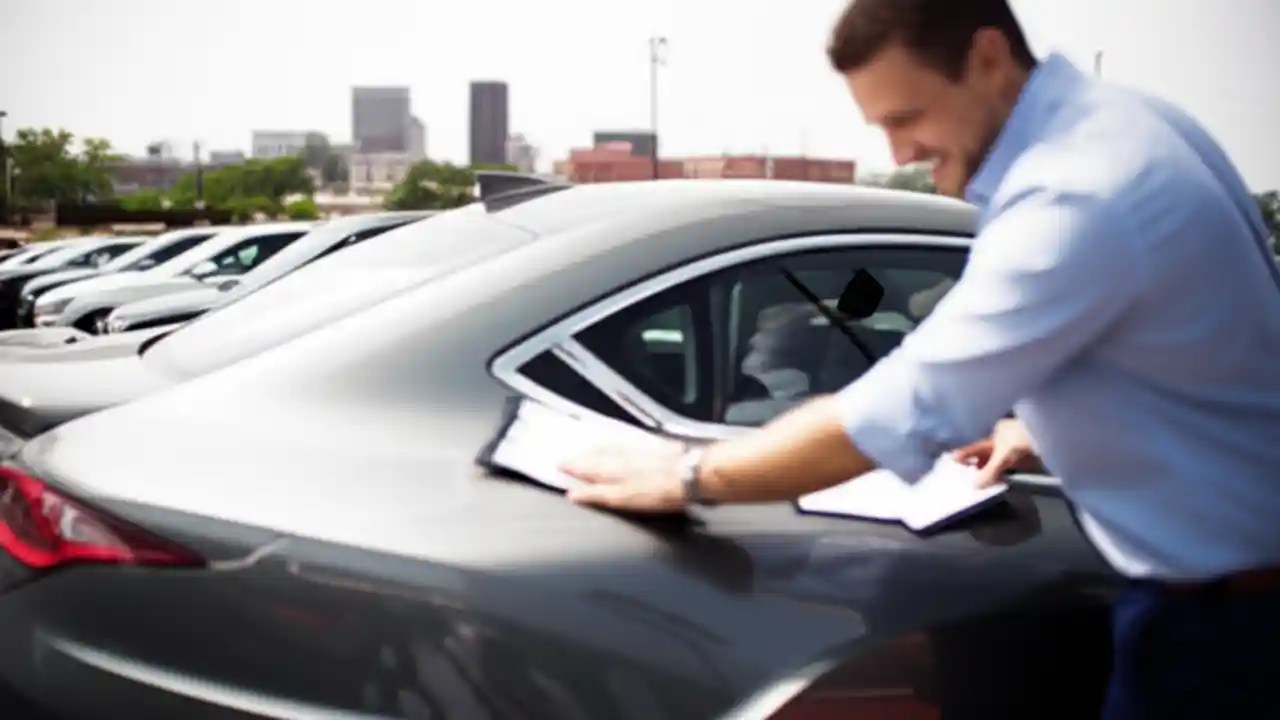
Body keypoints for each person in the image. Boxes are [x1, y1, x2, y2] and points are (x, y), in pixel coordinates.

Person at [558, 1, 1280, 718]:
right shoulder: (1132, 126)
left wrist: (689, 475)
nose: (898, 153)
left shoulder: (1077, 195)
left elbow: (901, 409)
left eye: (906, 117)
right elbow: (1187, 344)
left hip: (1220, 628)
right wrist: (1042, 425)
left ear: (988, 60)